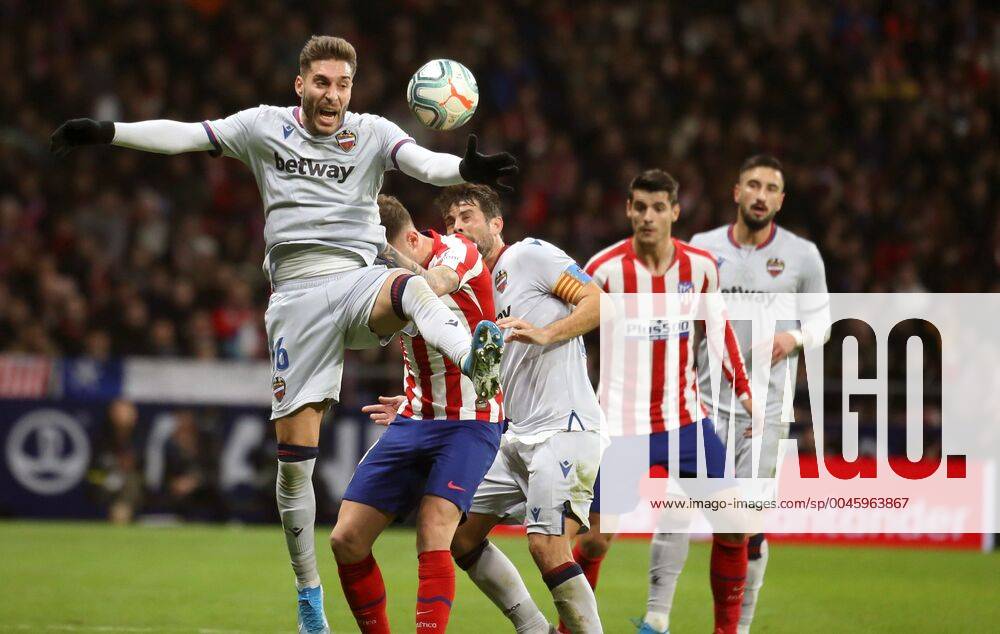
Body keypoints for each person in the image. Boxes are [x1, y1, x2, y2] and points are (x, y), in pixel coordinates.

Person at [51, 35, 515, 634]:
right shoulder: (263, 127)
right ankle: (309, 600)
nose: (333, 95)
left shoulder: (370, 132)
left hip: (355, 279)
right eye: (322, 82)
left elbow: (420, 161)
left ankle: (476, 355)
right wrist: (108, 132)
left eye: (343, 85)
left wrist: (463, 169)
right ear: (301, 84)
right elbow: (188, 134)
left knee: (411, 287)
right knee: (295, 464)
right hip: (294, 301)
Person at [365, 183, 606, 632]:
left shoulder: (529, 256)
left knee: (546, 547)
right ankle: (534, 629)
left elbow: (600, 303)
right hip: (512, 434)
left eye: (468, 216)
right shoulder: (473, 291)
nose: (459, 227)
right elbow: (480, 368)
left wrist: (546, 333)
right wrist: (417, 398)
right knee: (458, 535)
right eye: (452, 222)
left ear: (497, 223)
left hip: (563, 427)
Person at [575, 169, 755, 634]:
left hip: (685, 425)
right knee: (594, 543)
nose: (648, 217)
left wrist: (748, 395)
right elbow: (569, 338)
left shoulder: (700, 268)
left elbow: (719, 335)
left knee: (736, 526)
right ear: (629, 210)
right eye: (640, 207)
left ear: (675, 212)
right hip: (619, 427)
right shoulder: (604, 270)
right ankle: (572, 627)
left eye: (658, 208)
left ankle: (727, 631)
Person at [328, 195, 504, 633]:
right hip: (415, 418)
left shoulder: (458, 249)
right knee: (346, 539)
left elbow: (433, 285)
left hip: (470, 420)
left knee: (434, 527)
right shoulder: (377, 268)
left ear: (408, 239)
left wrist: (388, 258)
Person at [685, 154, 830, 634]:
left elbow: (822, 320)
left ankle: (738, 627)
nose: (761, 194)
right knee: (691, 519)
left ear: (781, 200)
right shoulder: (703, 248)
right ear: (736, 192)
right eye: (753, 185)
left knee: (746, 521)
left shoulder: (803, 254)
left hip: (766, 407)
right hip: (702, 404)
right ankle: (660, 616)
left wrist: (795, 338)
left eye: (771, 188)